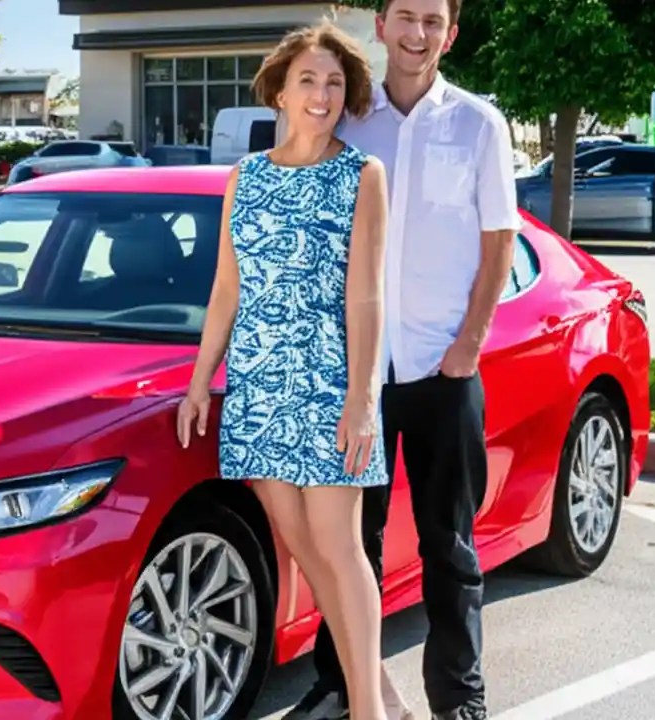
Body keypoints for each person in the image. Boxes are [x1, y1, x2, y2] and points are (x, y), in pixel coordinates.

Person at [293, 1, 521, 719]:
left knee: (448, 547)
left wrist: (467, 349)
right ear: (383, 26)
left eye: (433, 21)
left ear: (448, 35)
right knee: (347, 543)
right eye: (406, 17)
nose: (418, 33)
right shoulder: (350, 122)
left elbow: (499, 242)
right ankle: (342, 685)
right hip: (355, 377)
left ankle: (459, 700)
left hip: (441, 374)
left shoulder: (479, 124)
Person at [176, 20, 394, 720]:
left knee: (340, 545)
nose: (322, 94)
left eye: (335, 82)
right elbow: (225, 291)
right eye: (309, 80)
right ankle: (383, 694)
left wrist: (361, 399)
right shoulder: (247, 177)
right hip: (258, 383)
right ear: (280, 88)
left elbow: (366, 295)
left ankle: (366, 710)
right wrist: (199, 382)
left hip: (330, 383)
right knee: (302, 546)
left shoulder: (361, 175)